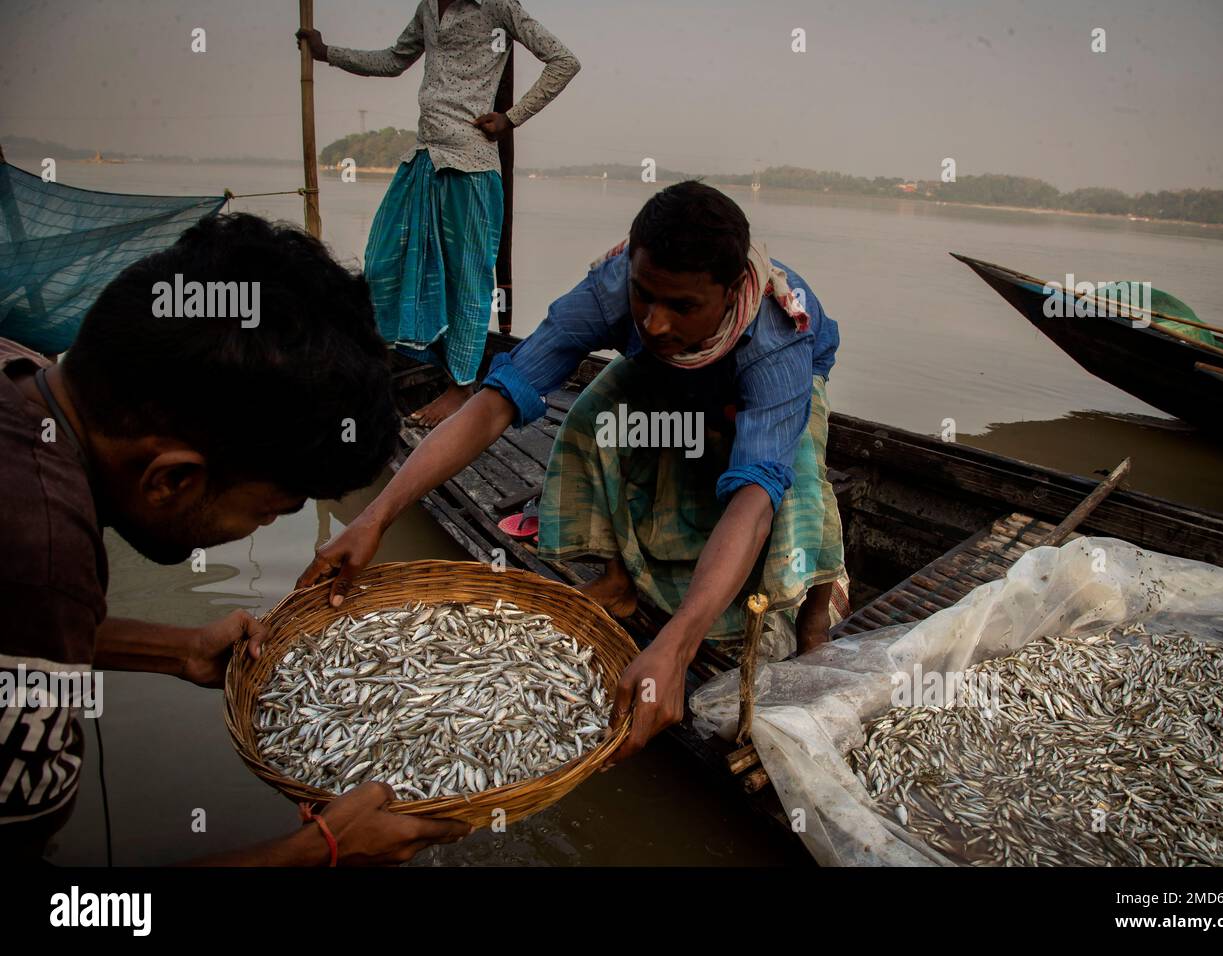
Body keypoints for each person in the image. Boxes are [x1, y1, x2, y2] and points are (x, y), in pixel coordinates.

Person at [298, 182, 847, 763]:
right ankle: (620, 577)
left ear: (733, 289)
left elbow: (753, 500)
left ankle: (813, 616)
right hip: (673, 373)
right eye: (645, 296)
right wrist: (376, 517)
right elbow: (495, 403)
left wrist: (675, 648)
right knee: (593, 418)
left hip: (765, 387)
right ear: (632, 267)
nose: (655, 322)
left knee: (796, 479)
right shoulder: (614, 288)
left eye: (682, 305)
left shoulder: (778, 337)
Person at [0, 213, 469, 864]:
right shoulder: (41, 559)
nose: (269, 525)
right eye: (272, 511)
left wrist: (179, 649)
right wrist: (320, 850)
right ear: (172, 481)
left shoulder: (19, 370)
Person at [296, 0, 580, 427]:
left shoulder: (497, 7)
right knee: (384, 259)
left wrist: (511, 117)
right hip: (426, 158)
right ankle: (409, 350)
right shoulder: (429, 6)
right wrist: (327, 53)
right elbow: (394, 60)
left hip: (470, 166)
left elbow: (564, 61)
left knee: (467, 275)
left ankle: (462, 386)